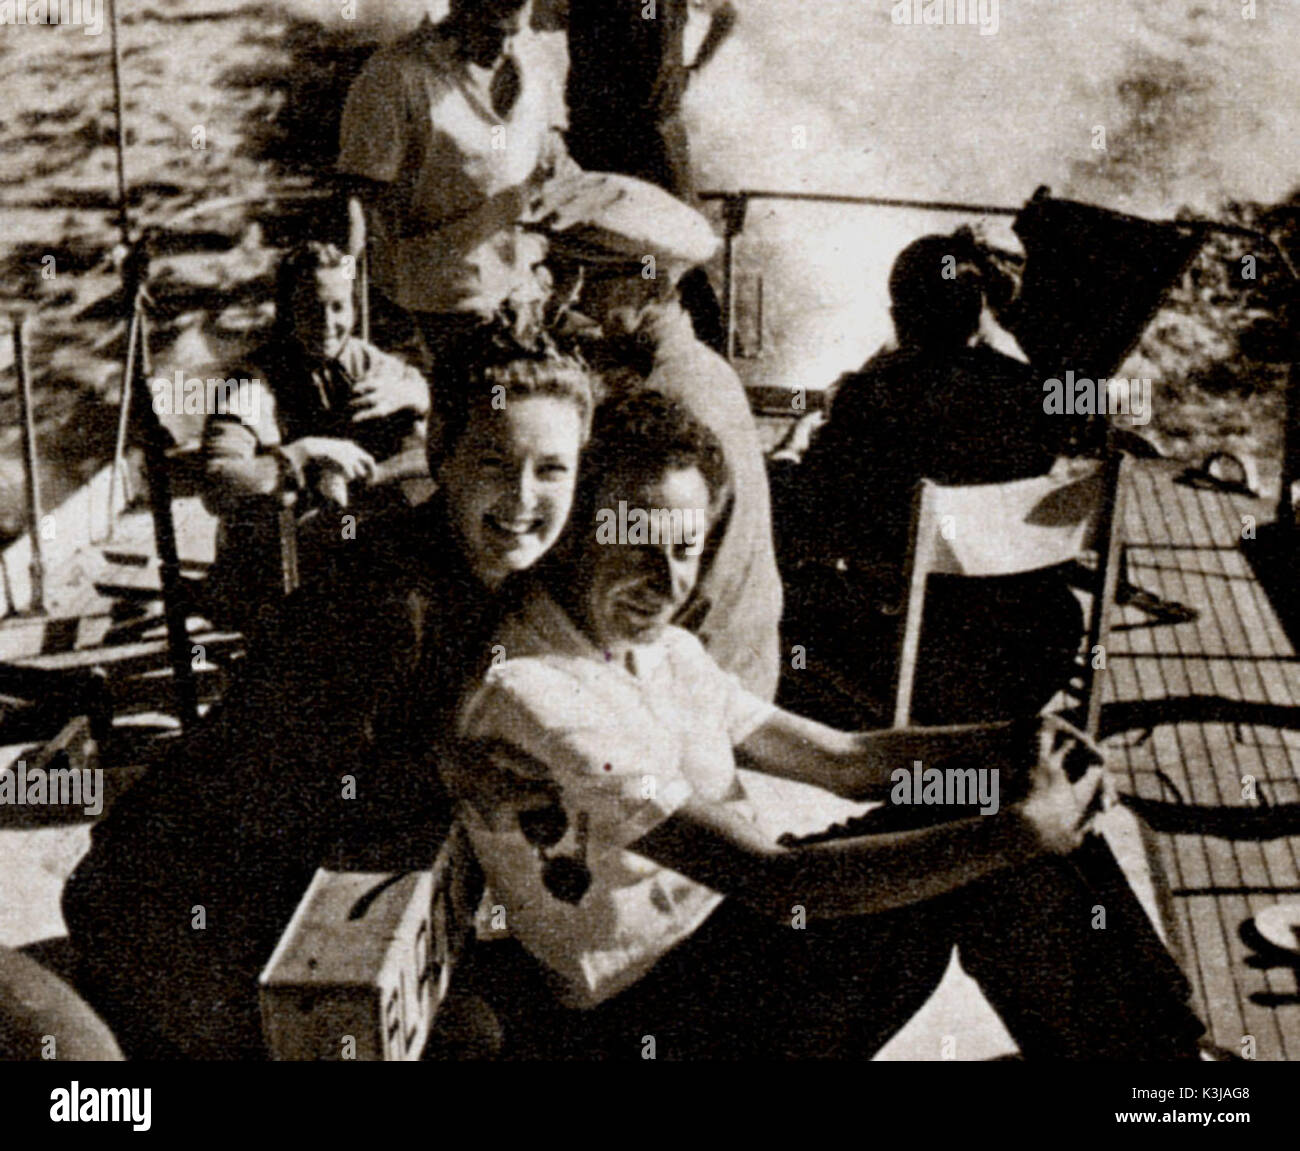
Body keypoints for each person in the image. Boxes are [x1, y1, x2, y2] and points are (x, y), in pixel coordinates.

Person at [448, 390, 1206, 1060]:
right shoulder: (537, 693)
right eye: (636, 543)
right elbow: (780, 883)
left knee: (1006, 790)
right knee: (1001, 845)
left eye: (686, 549)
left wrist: (1011, 742)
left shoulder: (657, 650)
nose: (668, 582)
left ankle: (1166, 1058)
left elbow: (847, 759)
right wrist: (1019, 830)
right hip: (667, 1016)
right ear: (577, 528)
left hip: (738, 947)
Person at [63, 337, 599, 1060]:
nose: (524, 498)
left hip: (272, 872)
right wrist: (442, 772)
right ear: (442, 451)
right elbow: (275, 792)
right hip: (171, 905)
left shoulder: (499, 571)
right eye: (495, 464)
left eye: (551, 470)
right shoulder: (391, 601)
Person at [781, 229, 1083, 727]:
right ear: (981, 315)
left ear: (898, 318)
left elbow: (812, 519)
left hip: (925, 662)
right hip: (1035, 652)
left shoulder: (870, 397)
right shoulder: (1040, 394)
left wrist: (790, 452)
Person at [570, 230, 782, 701]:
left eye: (588, 279)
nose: (569, 297)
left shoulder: (658, 400)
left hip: (696, 687)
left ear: (648, 288)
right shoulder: (705, 369)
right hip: (741, 668)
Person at [201, 241, 432, 622]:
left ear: (354, 307)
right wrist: (302, 454)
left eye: (338, 307)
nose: (328, 324)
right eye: (311, 309)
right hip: (276, 565)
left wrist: (419, 396)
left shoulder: (376, 367)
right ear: (287, 312)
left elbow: (450, 449)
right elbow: (217, 484)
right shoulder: (250, 383)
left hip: (356, 542)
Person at [337, 0, 571, 373]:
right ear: (459, 11)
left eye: (515, 32)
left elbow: (555, 153)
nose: (506, 48)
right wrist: (342, 296)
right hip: (436, 299)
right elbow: (356, 200)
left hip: (526, 284)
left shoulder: (533, 57)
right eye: (492, 33)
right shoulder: (395, 76)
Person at [565, 0, 736, 200]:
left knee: (673, 220)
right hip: (594, 129)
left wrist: (694, 70)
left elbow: (725, 15)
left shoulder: (651, 8)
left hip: (654, 136)